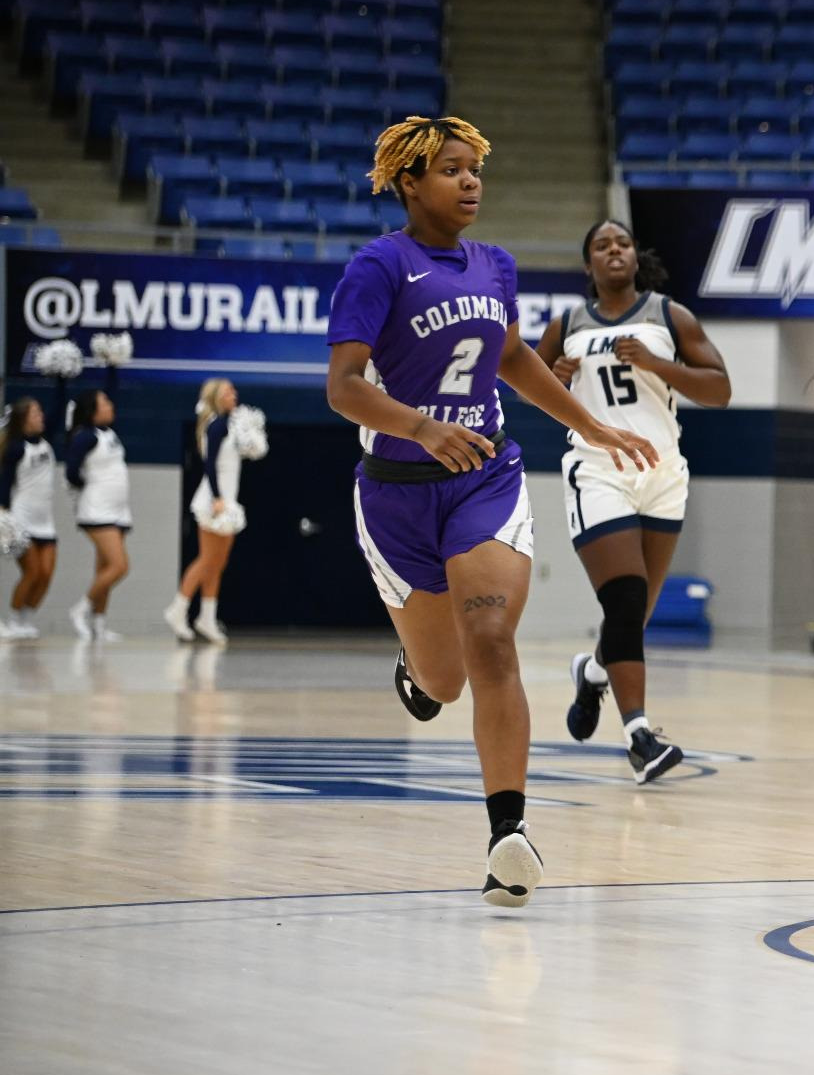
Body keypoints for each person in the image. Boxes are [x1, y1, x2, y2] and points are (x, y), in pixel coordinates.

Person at [325, 116, 658, 908]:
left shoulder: (495, 265)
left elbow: (510, 359)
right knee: (442, 683)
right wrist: (419, 425)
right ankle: (416, 670)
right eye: (450, 169)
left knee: (492, 641)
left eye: (475, 169)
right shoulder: (379, 266)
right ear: (410, 182)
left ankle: (507, 832)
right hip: (395, 493)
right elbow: (343, 388)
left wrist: (593, 425)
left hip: (485, 480)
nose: (470, 182)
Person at [537, 218, 732, 783]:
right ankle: (640, 736)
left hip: (663, 470)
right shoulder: (566, 323)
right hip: (598, 470)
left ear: (633, 256)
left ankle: (594, 672)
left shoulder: (669, 316)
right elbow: (524, 384)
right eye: (602, 244)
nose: (614, 250)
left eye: (622, 242)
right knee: (624, 603)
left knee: (635, 614)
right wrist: (553, 374)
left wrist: (657, 364)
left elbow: (719, 389)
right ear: (588, 265)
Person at [165, 377, 267, 643]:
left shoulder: (231, 424)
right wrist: (218, 498)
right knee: (207, 560)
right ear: (216, 398)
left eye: (233, 390)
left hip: (227, 499)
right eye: (227, 391)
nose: (234, 394)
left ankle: (207, 618)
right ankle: (178, 610)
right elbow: (209, 465)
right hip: (214, 499)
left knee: (217, 563)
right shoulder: (217, 424)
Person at [64, 388, 130, 641]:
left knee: (104, 568)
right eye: (105, 402)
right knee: (119, 566)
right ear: (92, 410)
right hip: (97, 509)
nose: (111, 405)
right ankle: (80, 610)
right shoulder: (85, 437)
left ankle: (99, 625)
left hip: (118, 510)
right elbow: (71, 472)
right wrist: (91, 486)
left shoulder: (109, 433)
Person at [0, 396, 58, 640]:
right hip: (23, 518)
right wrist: (3, 512)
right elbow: (4, 482)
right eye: (35, 413)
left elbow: (57, 411)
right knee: (32, 572)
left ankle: (26, 618)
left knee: (46, 574)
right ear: (23, 420)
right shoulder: (15, 448)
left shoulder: (46, 443)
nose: (41, 416)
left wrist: (60, 382)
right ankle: (12, 619)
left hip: (45, 520)